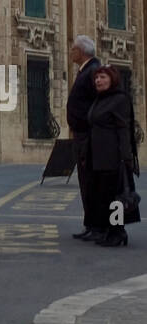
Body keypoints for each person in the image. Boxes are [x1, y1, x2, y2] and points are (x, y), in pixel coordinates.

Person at [86, 64, 137, 247]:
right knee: (104, 196)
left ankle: (118, 232)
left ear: (112, 79)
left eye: (103, 77)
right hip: (98, 157)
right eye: (97, 78)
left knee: (116, 198)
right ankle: (108, 230)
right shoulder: (100, 99)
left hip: (113, 157)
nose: (98, 80)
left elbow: (123, 129)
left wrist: (126, 158)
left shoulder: (119, 99)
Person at [67, 35, 101, 240]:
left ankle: (96, 225)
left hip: (89, 138)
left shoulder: (93, 71)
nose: (71, 52)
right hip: (82, 136)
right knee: (85, 181)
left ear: (81, 52)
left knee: (91, 182)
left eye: (73, 49)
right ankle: (90, 224)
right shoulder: (86, 70)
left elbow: (98, 102)